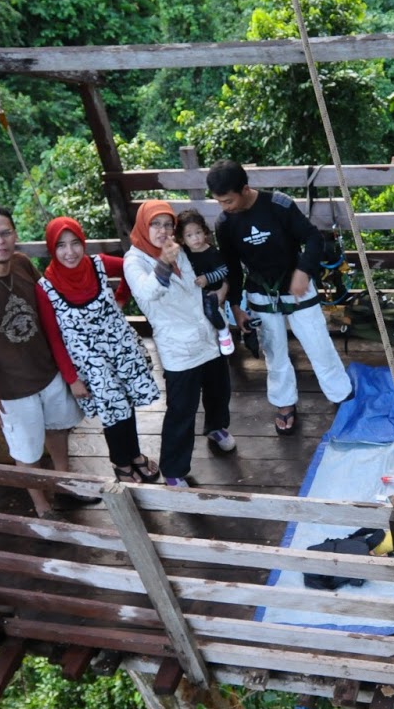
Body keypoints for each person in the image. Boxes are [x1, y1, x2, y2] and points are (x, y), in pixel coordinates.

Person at [0, 205, 93, 517]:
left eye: (5, 233)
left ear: (14, 235)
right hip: (9, 388)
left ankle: (65, 485)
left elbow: (49, 307)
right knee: (27, 450)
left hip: (47, 371)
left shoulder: (23, 265)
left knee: (58, 429)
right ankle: (41, 507)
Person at [207, 160, 350, 436]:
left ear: (245, 189)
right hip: (261, 290)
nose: (224, 207)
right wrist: (236, 306)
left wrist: (304, 272)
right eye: (219, 202)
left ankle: (340, 393)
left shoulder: (278, 205)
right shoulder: (225, 222)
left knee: (318, 342)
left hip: (297, 285)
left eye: (228, 200)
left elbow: (313, 238)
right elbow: (233, 267)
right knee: (274, 352)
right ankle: (284, 403)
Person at [34, 216, 162, 484]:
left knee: (127, 405)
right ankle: (121, 463)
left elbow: (131, 266)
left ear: (83, 243)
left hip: (121, 350)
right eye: (61, 246)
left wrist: (122, 299)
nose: (70, 252)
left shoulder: (98, 264)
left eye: (75, 243)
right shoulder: (46, 287)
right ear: (52, 249)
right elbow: (54, 338)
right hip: (91, 364)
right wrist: (72, 379)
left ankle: (135, 455)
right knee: (112, 412)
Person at [123, 200, 236, 486]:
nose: (162, 231)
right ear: (143, 226)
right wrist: (163, 261)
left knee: (219, 388)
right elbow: (147, 295)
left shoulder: (179, 250)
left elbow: (198, 281)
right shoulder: (134, 260)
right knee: (181, 409)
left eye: (167, 225)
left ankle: (216, 428)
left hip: (206, 333)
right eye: (155, 224)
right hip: (177, 345)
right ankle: (173, 470)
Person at [176, 208, 236, 355]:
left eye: (198, 233)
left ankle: (224, 332)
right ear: (182, 239)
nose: (195, 238)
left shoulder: (212, 252)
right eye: (189, 235)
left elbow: (223, 271)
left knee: (210, 310)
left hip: (212, 291)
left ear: (205, 232)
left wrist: (207, 278)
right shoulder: (184, 253)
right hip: (196, 292)